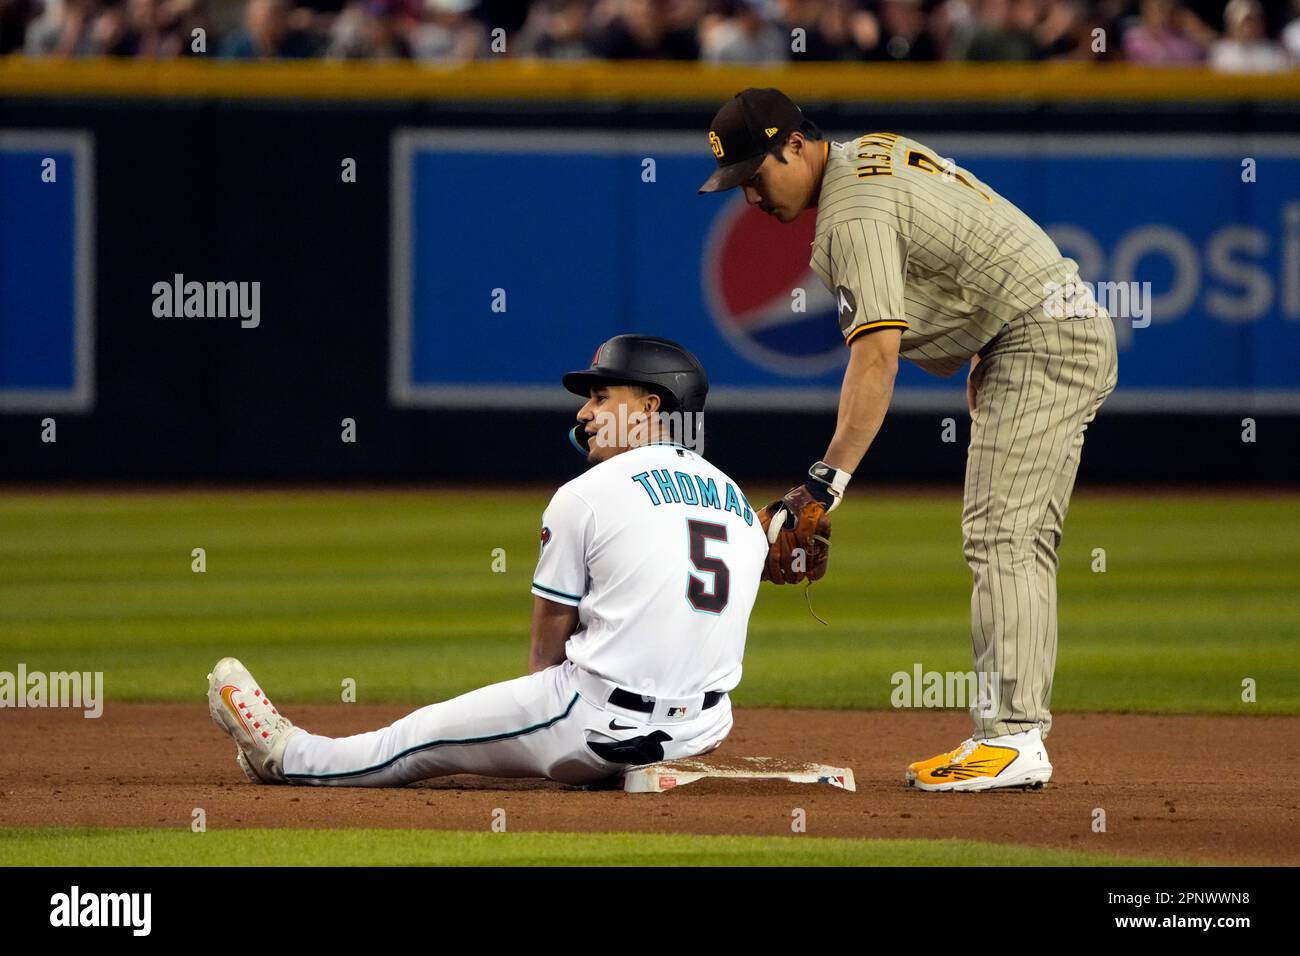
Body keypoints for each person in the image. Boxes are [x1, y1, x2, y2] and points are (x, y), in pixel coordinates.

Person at [698, 88, 1117, 792]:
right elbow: (978, 243)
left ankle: (1013, 739)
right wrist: (988, 342)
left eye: (755, 176)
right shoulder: (866, 156)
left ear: (795, 145)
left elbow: (877, 356)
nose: (750, 199)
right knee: (1013, 538)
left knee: (1004, 537)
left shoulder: (851, 211)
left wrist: (825, 481)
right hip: (1039, 327)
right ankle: (1010, 734)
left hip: (1042, 336)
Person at [208, 334, 767, 787]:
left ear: (650, 406)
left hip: (593, 726)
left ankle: (285, 755)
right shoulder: (739, 503)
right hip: (703, 728)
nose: (585, 412)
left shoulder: (588, 493)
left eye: (601, 397)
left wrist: (533, 729)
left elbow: (545, 651)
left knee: (412, 741)